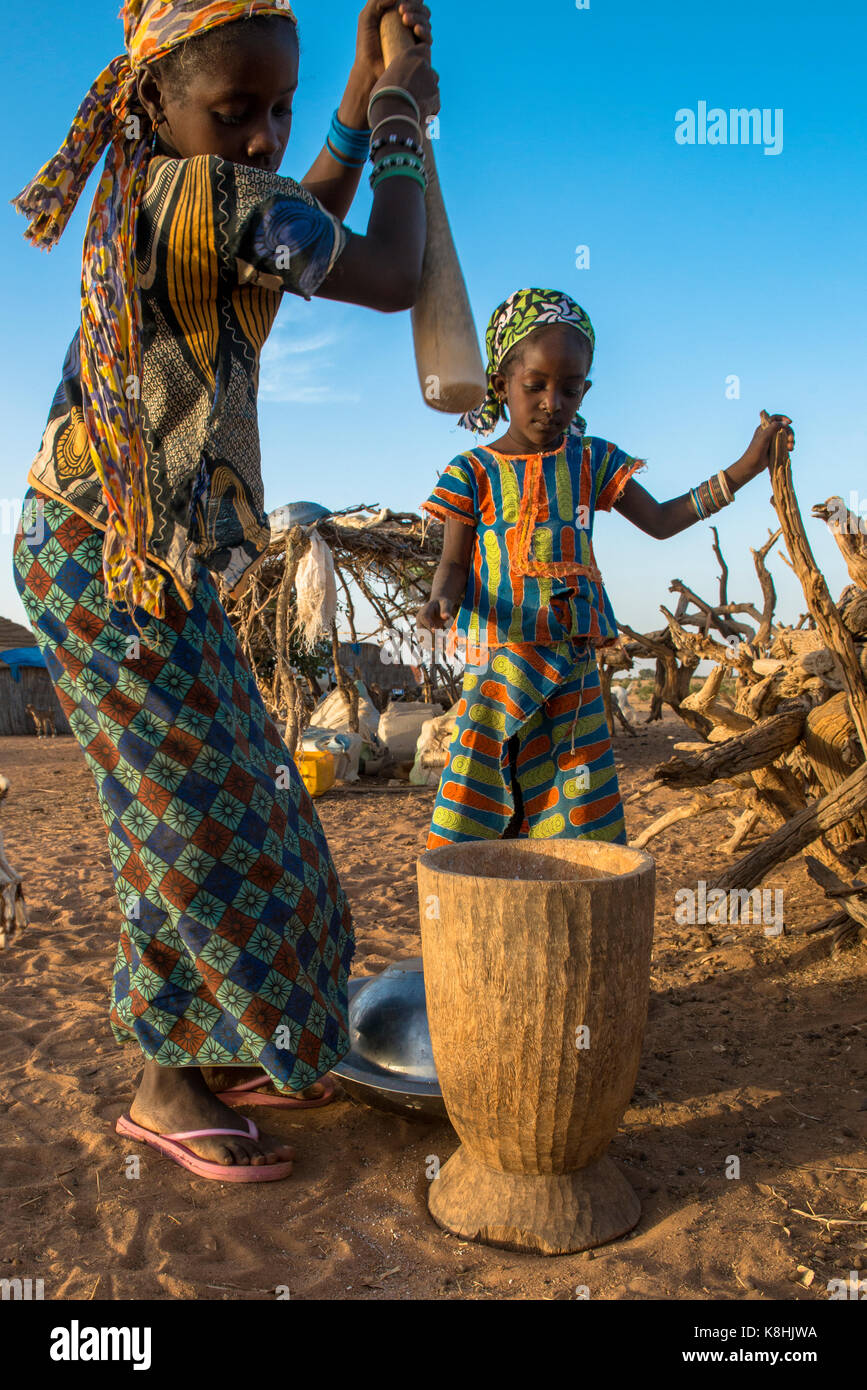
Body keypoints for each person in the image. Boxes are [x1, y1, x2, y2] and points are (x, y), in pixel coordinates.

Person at [12, 0, 439, 1182]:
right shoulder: (204, 202)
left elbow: (307, 207)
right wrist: (400, 108)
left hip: (131, 553)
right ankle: (163, 1082)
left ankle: (205, 1044)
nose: (261, 137)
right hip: (109, 554)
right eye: (234, 109)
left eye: (281, 108)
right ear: (152, 105)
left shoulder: (199, 197)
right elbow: (396, 270)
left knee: (219, 805)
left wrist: (356, 95)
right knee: (197, 824)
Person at [417, 288, 793, 850]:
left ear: (585, 389)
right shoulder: (471, 470)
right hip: (499, 661)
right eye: (535, 386)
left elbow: (663, 520)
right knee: (482, 781)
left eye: (570, 389)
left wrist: (745, 466)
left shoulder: (592, 460)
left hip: (571, 662)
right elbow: (452, 562)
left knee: (576, 797)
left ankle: (571, 899)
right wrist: (440, 600)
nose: (553, 402)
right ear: (500, 385)